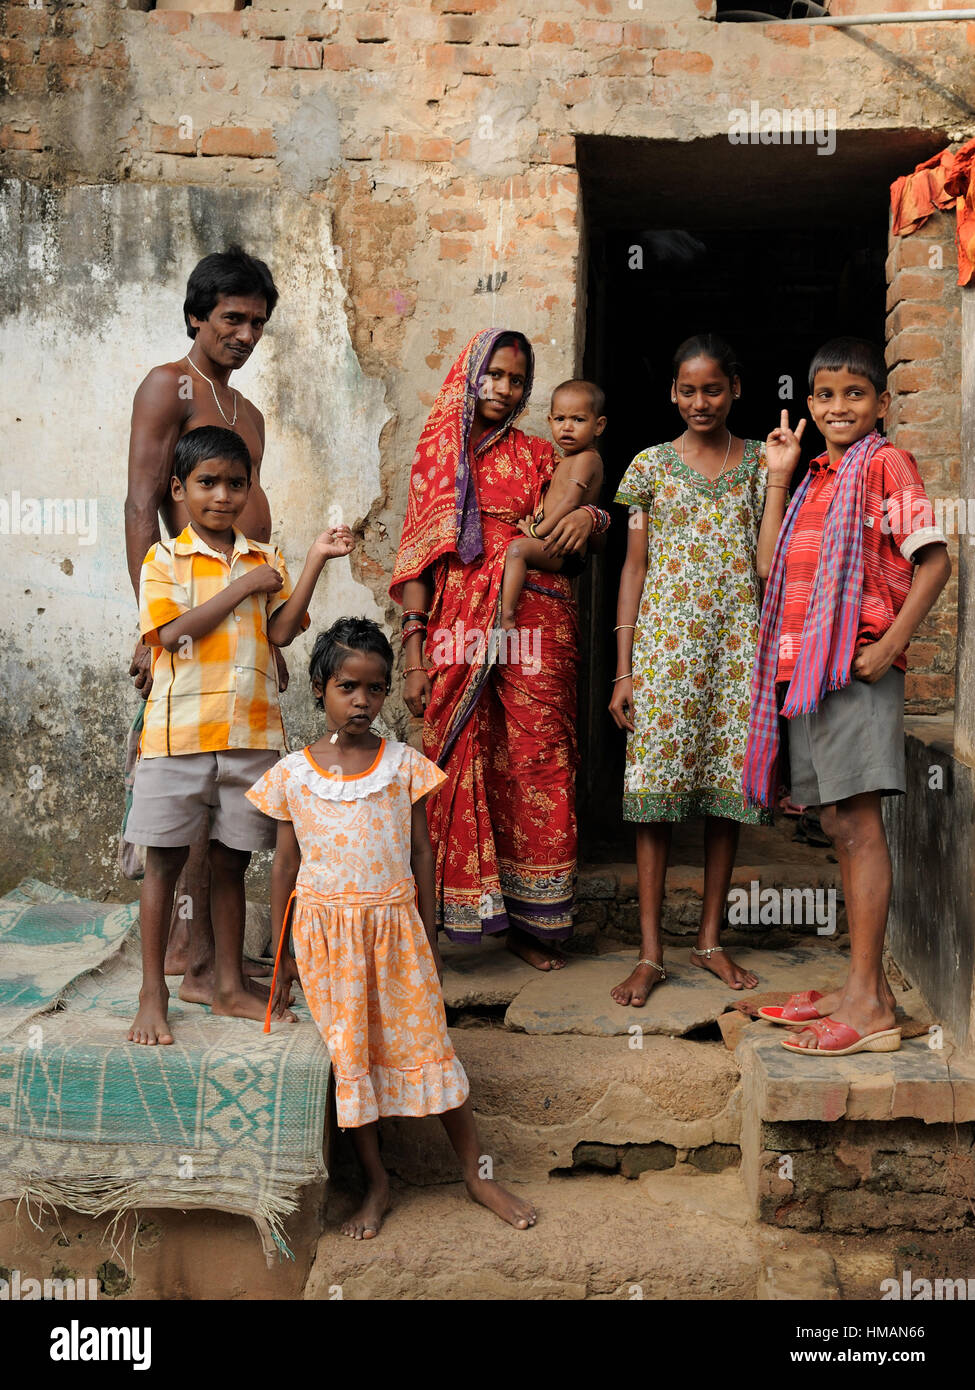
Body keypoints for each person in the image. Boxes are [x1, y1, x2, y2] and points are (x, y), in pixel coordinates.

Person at [248, 618, 538, 1238]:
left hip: (397, 933)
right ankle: (377, 1183)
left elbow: (423, 853)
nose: (362, 701)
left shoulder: (406, 765)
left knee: (430, 1047)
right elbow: (286, 867)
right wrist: (283, 959)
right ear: (320, 688)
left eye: (375, 689)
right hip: (327, 945)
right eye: (348, 687)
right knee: (353, 1060)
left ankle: (476, 1175)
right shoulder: (293, 774)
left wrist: (428, 932)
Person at [744, 337, 950, 1056]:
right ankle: (867, 989)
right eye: (825, 396)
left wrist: (891, 647)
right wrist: (776, 476)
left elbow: (936, 558)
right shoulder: (815, 479)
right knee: (837, 824)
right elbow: (770, 569)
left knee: (858, 827)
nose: (839, 407)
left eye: (854, 395)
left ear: (881, 404)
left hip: (856, 668)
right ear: (808, 405)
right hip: (808, 673)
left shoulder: (884, 463)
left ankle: (865, 1006)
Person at [124, 427, 354, 1044]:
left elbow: (279, 633)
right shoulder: (162, 560)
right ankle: (154, 993)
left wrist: (310, 561)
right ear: (179, 490)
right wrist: (242, 588)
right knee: (164, 865)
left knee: (231, 862)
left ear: (248, 489)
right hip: (178, 737)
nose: (222, 496)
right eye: (207, 483)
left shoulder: (263, 559)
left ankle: (227, 985)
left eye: (234, 484)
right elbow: (172, 636)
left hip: (250, 736)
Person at [390, 330, 610, 970]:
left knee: (536, 757)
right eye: (494, 376)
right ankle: (443, 922)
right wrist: (413, 652)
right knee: (458, 757)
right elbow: (415, 562)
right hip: (457, 624)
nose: (505, 389)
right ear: (469, 376)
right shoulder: (439, 457)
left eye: (516, 379)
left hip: (537, 620)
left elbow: (581, 521)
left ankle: (531, 923)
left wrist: (590, 521)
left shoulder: (543, 451)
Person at [608, 334, 803, 1006]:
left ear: (735, 390)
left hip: (737, 656)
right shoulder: (648, 468)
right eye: (687, 389)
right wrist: (623, 670)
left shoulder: (757, 467)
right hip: (663, 655)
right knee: (654, 803)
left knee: (727, 800)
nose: (699, 401)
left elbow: (767, 563)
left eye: (712, 389)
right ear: (671, 392)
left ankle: (710, 941)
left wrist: (779, 475)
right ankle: (650, 954)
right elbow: (632, 567)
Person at [124, 246, 281, 1003]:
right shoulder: (169, 385)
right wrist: (146, 626)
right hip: (185, 617)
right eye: (231, 318)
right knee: (182, 789)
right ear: (196, 316)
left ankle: (213, 962)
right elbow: (142, 500)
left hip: (242, 615)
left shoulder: (247, 412)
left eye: (256, 322)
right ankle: (190, 963)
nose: (244, 334)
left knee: (225, 803)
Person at [499, 379, 606, 630]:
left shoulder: (587, 459)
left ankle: (507, 617)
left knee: (516, 550)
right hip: (552, 540)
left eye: (578, 420)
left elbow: (570, 501)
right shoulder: (565, 459)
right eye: (560, 420)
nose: (567, 427)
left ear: (598, 426)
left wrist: (538, 531)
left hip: (566, 550)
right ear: (550, 422)